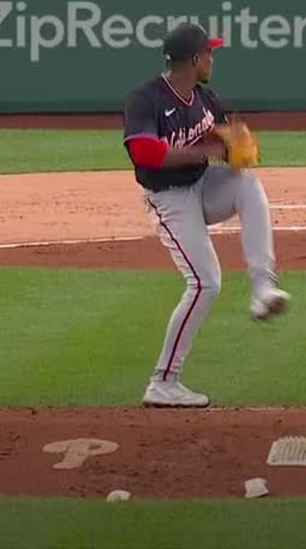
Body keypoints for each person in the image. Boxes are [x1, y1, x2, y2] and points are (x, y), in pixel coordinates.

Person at [121, 22, 290, 409]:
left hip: (202, 185)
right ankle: (163, 382)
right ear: (195, 59)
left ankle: (263, 289)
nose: (213, 59)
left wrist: (233, 146)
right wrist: (208, 152)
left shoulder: (204, 97)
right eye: (209, 53)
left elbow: (221, 139)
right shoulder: (145, 99)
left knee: (247, 185)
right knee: (205, 282)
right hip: (169, 198)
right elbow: (145, 153)